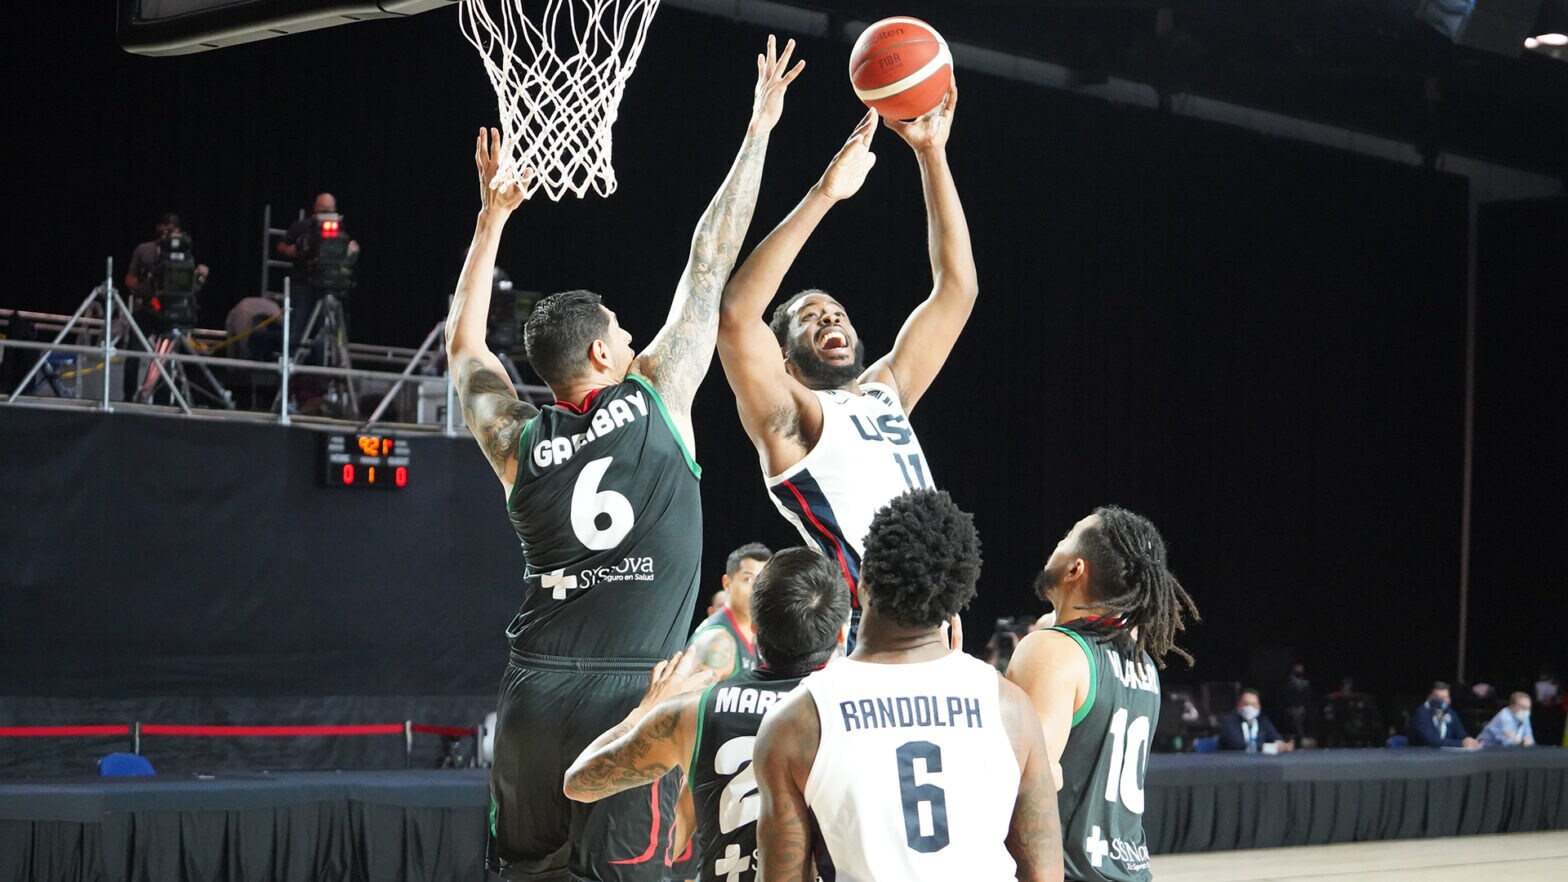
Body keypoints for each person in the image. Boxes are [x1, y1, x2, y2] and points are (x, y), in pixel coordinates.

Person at [444, 36, 801, 882]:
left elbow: (464, 346)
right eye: (622, 333)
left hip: (531, 693)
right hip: (625, 697)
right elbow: (710, 260)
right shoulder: (657, 399)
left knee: (522, 871)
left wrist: (491, 216)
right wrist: (761, 127)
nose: (635, 337)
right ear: (604, 359)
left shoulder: (517, 444)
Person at [716, 82, 976, 648]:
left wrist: (932, 154)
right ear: (783, 355)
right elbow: (737, 314)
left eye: (837, 312)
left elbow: (956, 290)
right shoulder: (792, 414)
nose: (831, 319)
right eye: (811, 317)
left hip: (935, 619)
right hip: (868, 630)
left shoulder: (886, 391)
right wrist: (825, 193)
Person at [753, 489, 1062, 881]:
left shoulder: (797, 720)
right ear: (956, 600)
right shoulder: (1010, 708)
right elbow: (1044, 875)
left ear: (863, 580)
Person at [563, 547, 851, 882]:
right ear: (841, 633)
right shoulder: (852, 712)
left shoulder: (691, 711)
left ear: (754, 626)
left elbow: (578, 783)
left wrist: (644, 711)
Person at [1006, 505, 1201, 882]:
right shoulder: (1140, 660)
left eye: (1066, 537)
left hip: (1068, 871)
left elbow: (1030, 780)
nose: (1057, 542)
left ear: (1076, 569)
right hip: (1129, 869)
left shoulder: (1051, 649)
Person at [121, 212, 209, 400]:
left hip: (170, 311)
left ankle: (162, 398)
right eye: (164, 227)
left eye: (172, 229)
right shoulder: (144, 249)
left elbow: (188, 287)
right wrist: (144, 288)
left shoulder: (186, 255)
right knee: (133, 353)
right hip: (146, 308)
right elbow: (130, 277)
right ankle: (128, 397)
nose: (167, 232)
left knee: (165, 361)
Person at [276, 192, 359, 355]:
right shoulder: (302, 226)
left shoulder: (340, 230)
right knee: (296, 326)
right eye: (323, 208)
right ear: (315, 208)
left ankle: (322, 368)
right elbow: (281, 246)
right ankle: (289, 362)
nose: (327, 212)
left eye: (330, 208)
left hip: (330, 285)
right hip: (303, 282)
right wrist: (295, 251)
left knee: (327, 331)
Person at [679, 543, 771, 680]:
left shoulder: (751, 633)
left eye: (763, 580)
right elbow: (685, 698)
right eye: (748, 579)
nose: (756, 588)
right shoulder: (719, 640)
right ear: (727, 583)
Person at [1217, 689, 1294, 753]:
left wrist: (1283, 745)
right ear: (1238, 705)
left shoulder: (1263, 721)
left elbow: (1276, 737)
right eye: (1246, 704)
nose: (1249, 708)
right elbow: (1239, 745)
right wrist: (1268, 747)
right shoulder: (1228, 722)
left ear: (1259, 707)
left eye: (1254, 705)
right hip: (1232, 765)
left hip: (1258, 764)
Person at [1407, 681, 1481, 749]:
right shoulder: (1422, 713)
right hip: (1420, 757)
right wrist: (1461, 744)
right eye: (1438, 697)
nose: (1442, 701)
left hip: (1445, 756)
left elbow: (1462, 735)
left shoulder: (1451, 713)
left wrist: (1470, 741)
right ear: (1429, 698)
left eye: (1445, 697)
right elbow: (1432, 741)